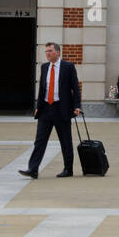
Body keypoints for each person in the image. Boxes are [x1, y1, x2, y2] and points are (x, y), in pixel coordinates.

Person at [19, 41, 82, 179]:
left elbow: (75, 88)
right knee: (40, 140)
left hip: (61, 108)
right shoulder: (44, 67)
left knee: (65, 140)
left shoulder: (68, 67)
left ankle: (68, 169)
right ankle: (33, 169)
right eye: (46, 51)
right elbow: (42, 89)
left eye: (50, 51)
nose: (47, 53)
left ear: (58, 52)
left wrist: (77, 106)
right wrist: (38, 107)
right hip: (46, 109)